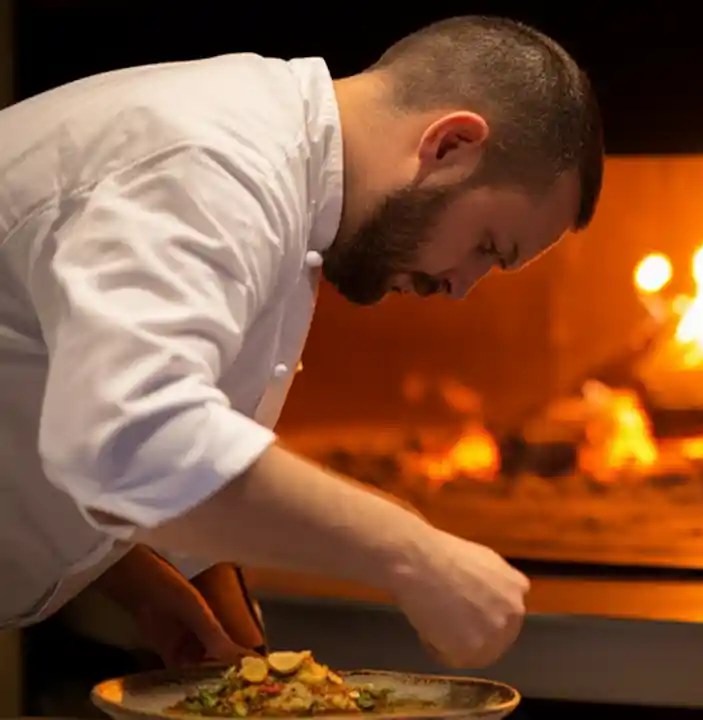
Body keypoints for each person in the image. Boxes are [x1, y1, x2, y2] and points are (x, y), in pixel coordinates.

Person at [0, 12, 605, 686]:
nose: (462, 287)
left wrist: (143, 576)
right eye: (488, 246)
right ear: (450, 144)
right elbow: (127, 437)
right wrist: (414, 554)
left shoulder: (280, 171)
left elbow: (39, 388)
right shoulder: (217, 162)